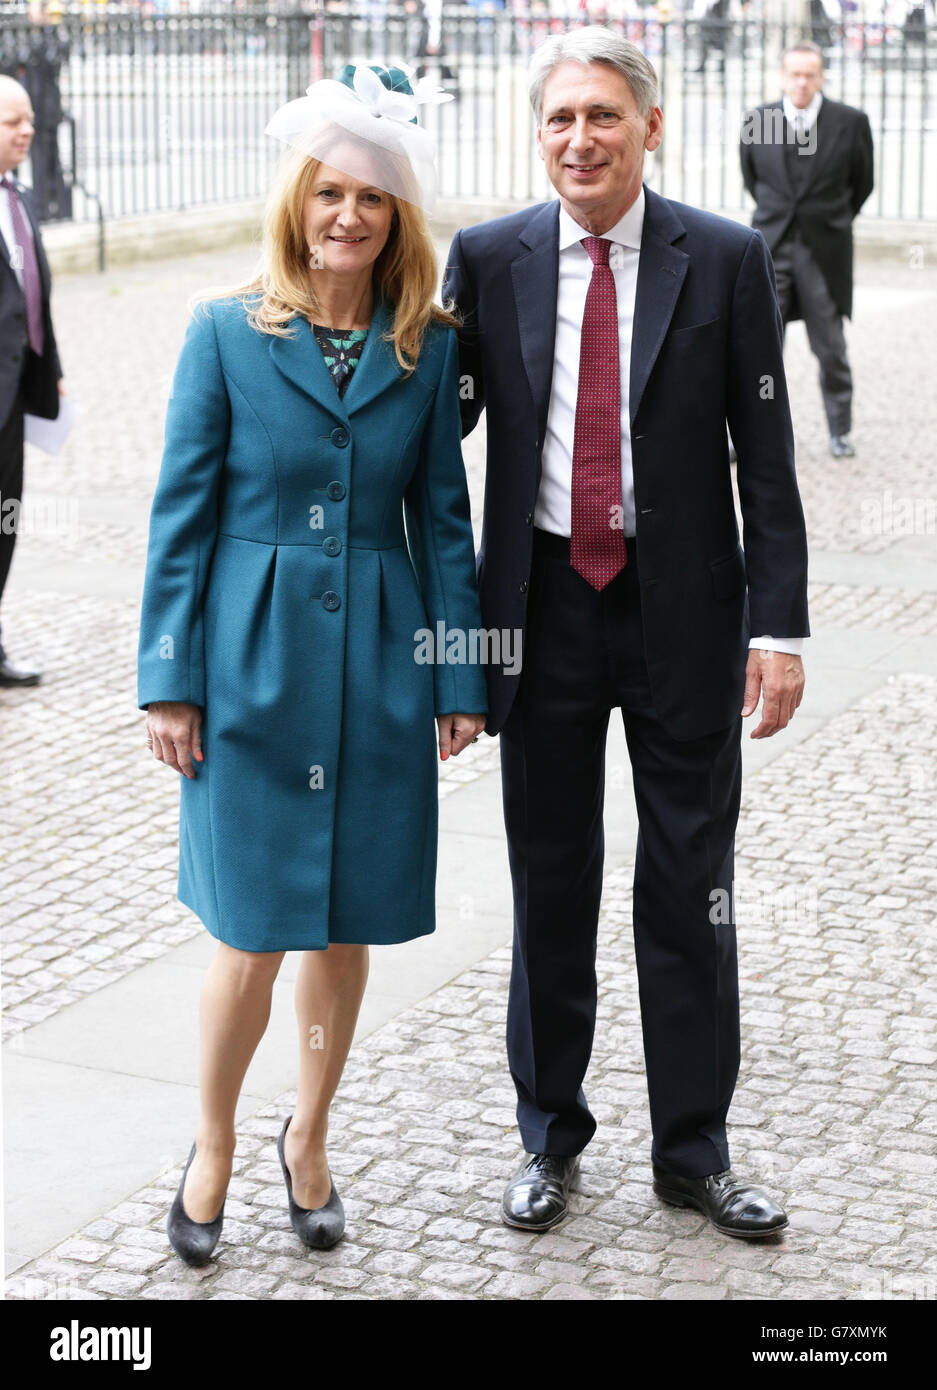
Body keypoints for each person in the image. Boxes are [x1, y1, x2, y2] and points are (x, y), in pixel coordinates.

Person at [444, 26, 808, 1238]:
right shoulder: (486, 259)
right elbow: (423, 452)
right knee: (550, 884)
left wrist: (780, 626)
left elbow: (764, 455)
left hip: (684, 619)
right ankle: (548, 1136)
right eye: (559, 118)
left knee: (689, 889)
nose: (580, 139)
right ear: (536, 134)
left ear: (651, 127)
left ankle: (693, 1150)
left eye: (604, 116)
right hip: (539, 617)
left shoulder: (722, 256)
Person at [137, 62, 486, 1267]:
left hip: (381, 667)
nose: (349, 216)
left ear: (397, 219)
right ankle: (216, 1142)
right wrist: (168, 678)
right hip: (251, 667)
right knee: (249, 932)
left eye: (372, 200)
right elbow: (179, 517)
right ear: (299, 203)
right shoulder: (226, 330)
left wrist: (457, 676)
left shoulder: (426, 346)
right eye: (330, 195)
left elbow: (445, 519)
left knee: (347, 929)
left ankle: (311, 1137)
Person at [740, 40, 874, 459]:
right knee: (758, 347)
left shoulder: (849, 122)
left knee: (830, 346)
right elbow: (752, 176)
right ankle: (747, 435)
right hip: (771, 246)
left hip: (823, 250)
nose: (801, 82)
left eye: (809, 75)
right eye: (794, 74)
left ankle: (840, 430)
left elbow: (862, 183)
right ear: (783, 76)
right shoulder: (758, 120)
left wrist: (830, 220)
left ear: (821, 77)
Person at [0, 73, 65, 687]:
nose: (27, 131)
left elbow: (32, 295)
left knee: (6, 523)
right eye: (12, 122)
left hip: (14, 400)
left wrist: (54, 369)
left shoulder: (16, 196)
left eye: (29, 121)